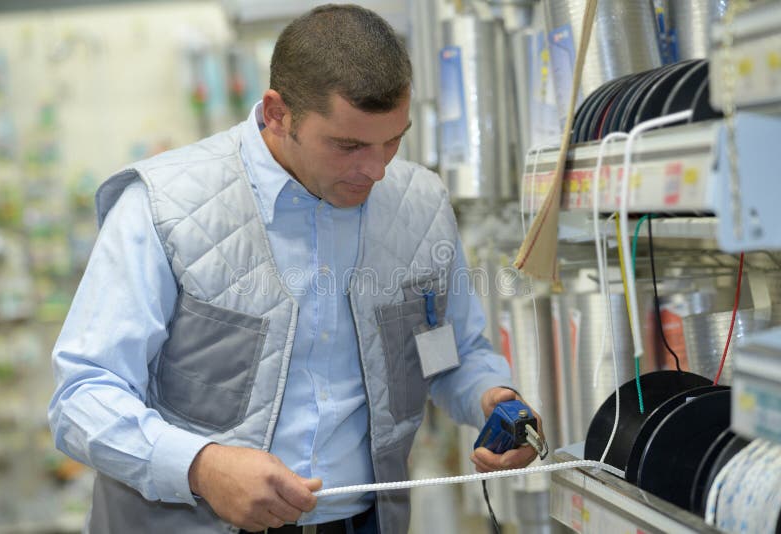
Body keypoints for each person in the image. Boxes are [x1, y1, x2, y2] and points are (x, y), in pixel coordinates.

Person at [48, 4, 544, 533]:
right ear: (279, 113)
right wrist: (200, 466)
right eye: (349, 145)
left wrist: (492, 397)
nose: (376, 171)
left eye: (393, 140)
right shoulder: (164, 207)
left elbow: (445, 352)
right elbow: (82, 397)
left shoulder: (418, 203)